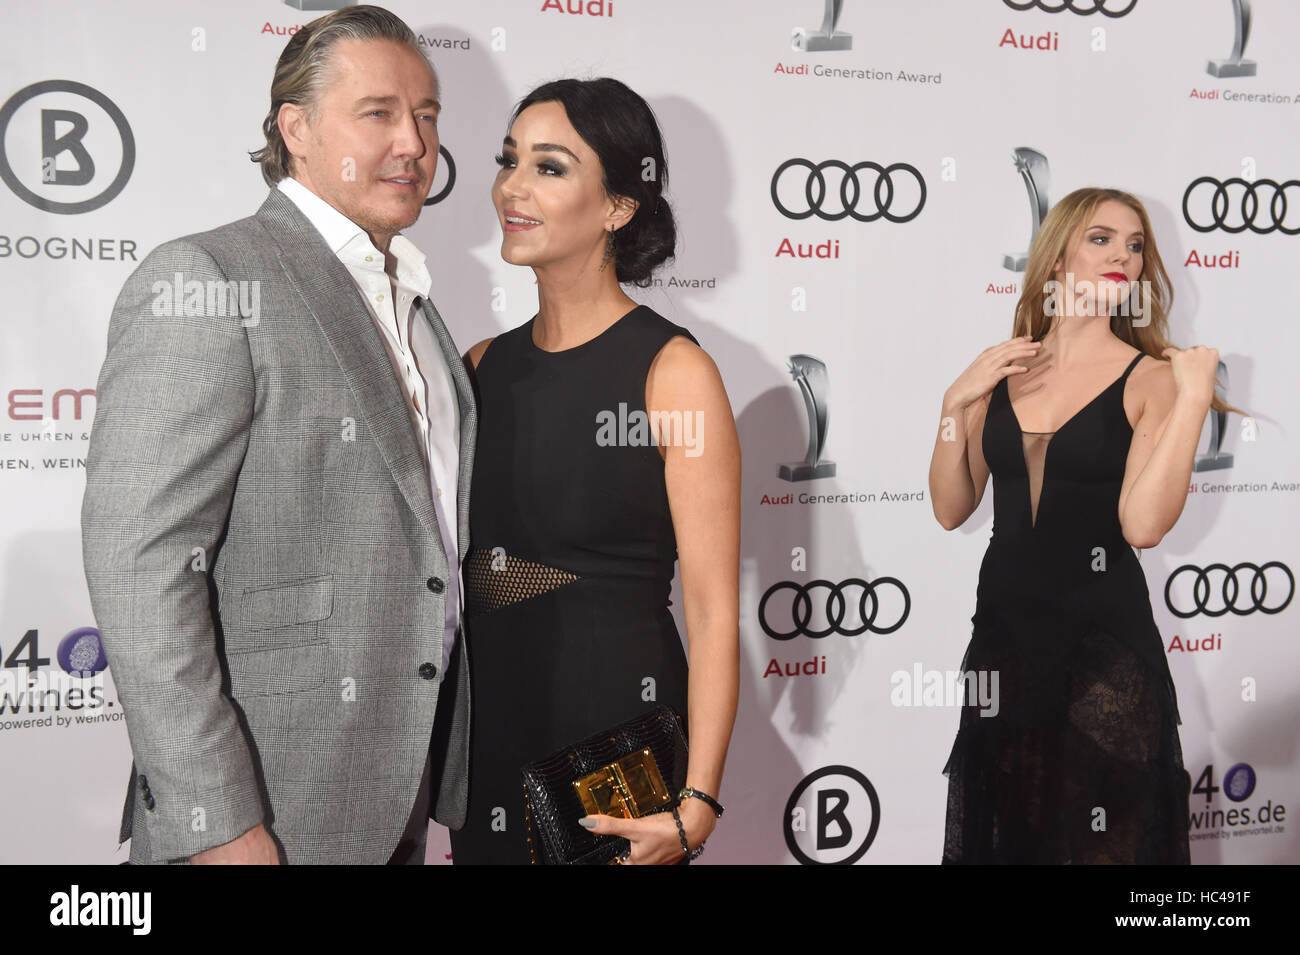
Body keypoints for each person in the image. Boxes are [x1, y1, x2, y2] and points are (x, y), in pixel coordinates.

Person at [80, 6, 473, 865]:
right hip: (265, 806)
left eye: (429, 113)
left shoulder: (416, 300)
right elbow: (141, 567)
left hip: (397, 792)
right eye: (378, 113)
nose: (413, 142)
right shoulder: (210, 279)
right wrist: (215, 822)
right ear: (296, 128)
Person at [450, 78, 740, 865]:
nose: (512, 186)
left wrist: (698, 803)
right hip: (487, 743)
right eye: (509, 161)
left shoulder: (673, 372)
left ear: (619, 205)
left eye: (550, 167)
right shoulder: (478, 367)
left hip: (615, 746)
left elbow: (714, 612)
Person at [927, 187, 1224, 864]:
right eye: (1102, 238)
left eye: (1135, 244)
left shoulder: (1154, 378)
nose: (1123, 253)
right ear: (1057, 256)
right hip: (1003, 648)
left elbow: (1143, 526)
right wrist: (956, 401)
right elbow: (951, 506)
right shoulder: (1002, 369)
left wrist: (1194, 400)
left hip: (1104, 656)